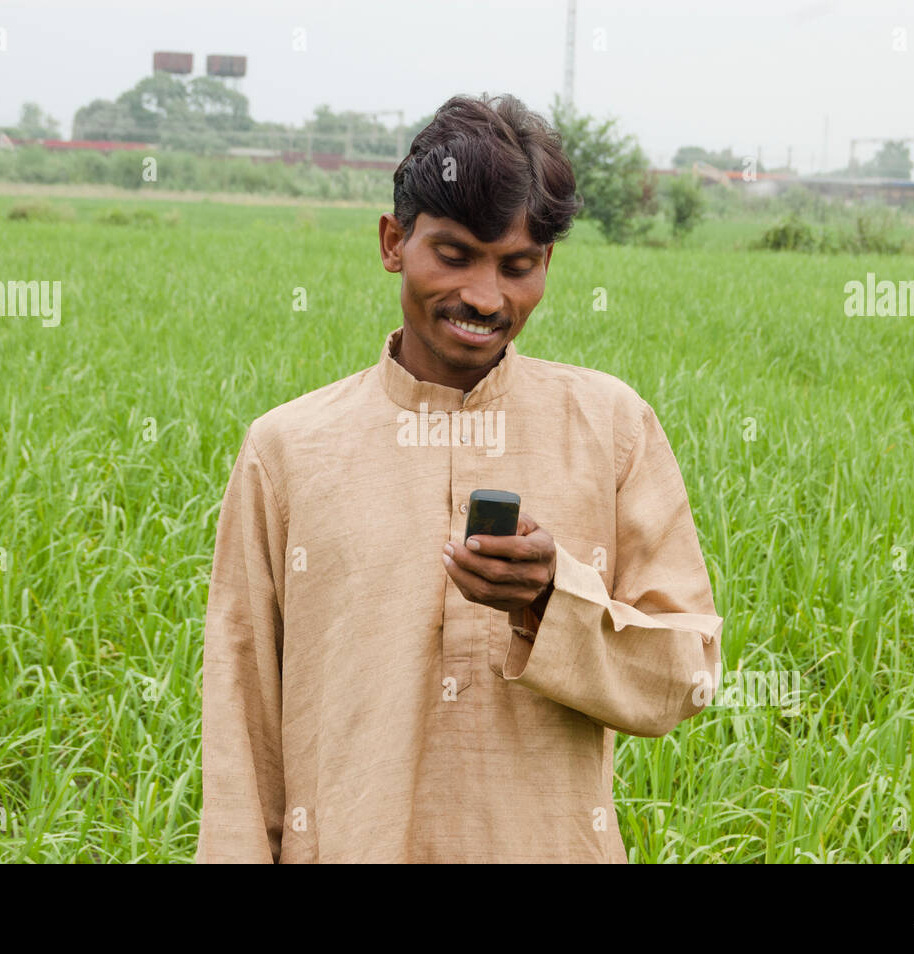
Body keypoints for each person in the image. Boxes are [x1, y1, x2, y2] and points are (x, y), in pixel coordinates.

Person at [196, 92, 723, 863]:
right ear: (392, 241)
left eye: (518, 267)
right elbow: (241, 720)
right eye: (454, 254)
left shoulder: (610, 427)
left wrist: (551, 599)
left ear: (547, 264)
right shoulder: (289, 450)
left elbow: (685, 677)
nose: (485, 297)